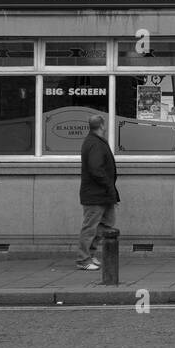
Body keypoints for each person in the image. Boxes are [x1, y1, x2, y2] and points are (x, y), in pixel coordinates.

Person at [77, 114, 119, 271]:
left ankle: (90, 254)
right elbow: (96, 169)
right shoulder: (94, 143)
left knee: (107, 222)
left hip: (103, 194)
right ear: (102, 125)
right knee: (90, 227)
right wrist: (108, 186)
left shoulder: (95, 141)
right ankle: (83, 259)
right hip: (95, 194)